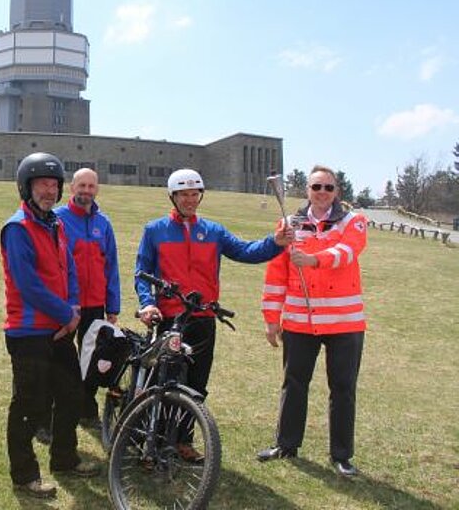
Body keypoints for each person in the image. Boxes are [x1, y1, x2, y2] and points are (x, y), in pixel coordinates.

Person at [135, 168, 292, 462]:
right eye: (184, 194)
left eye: (195, 194)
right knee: (162, 380)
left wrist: (275, 242)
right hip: (169, 318)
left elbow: (247, 251)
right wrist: (147, 302)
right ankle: (151, 439)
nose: (190, 200)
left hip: (204, 318)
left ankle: (183, 440)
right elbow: (142, 272)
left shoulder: (214, 231)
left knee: (196, 384)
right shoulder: (154, 230)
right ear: (173, 196)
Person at [257, 165, 368, 477]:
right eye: (316, 187)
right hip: (298, 322)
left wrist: (315, 259)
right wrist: (271, 318)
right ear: (306, 190)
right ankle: (286, 444)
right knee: (293, 384)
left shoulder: (353, 221)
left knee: (343, 389)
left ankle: (341, 455)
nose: (322, 193)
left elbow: (348, 251)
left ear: (337, 192)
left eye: (328, 188)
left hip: (345, 324)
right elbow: (276, 275)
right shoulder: (288, 225)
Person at [1, 153, 100, 499]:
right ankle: (24, 476)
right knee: (30, 405)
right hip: (29, 332)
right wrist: (67, 315)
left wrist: (73, 307)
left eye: (55, 184)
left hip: (59, 329)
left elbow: (68, 270)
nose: (50, 190)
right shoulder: (17, 228)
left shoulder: (55, 225)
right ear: (27, 187)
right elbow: (28, 285)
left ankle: (64, 458)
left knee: (72, 395)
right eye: (42, 184)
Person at [55, 167, 121, 427]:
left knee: (92, 357)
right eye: (81, 186)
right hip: (67, 305)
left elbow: (111, 266)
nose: (86, 191)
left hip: (95, 304)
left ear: (97, 190)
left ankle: (86, 404)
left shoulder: (103, 224)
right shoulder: (57, 219)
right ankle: (58, 406)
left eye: (91, 186)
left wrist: (112, 306)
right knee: (61, 358)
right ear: (72, 188)